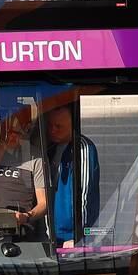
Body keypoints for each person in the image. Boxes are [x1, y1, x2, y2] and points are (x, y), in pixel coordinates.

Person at [0, 113, 48, 235]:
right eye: (9, 132)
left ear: (26, 132)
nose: (13, 137)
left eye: (18, 133)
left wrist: (26, 216)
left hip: (20, 226)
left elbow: (43, 203)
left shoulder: (35, 158)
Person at [45, 104, 100, 247]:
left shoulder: (82, 148)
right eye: (50, 125)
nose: (53, 130)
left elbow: (85, 194)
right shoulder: (50, 149)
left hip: (73, 235)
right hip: (52, 233)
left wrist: (80, 236)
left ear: (72, 125)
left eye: (59, 126)